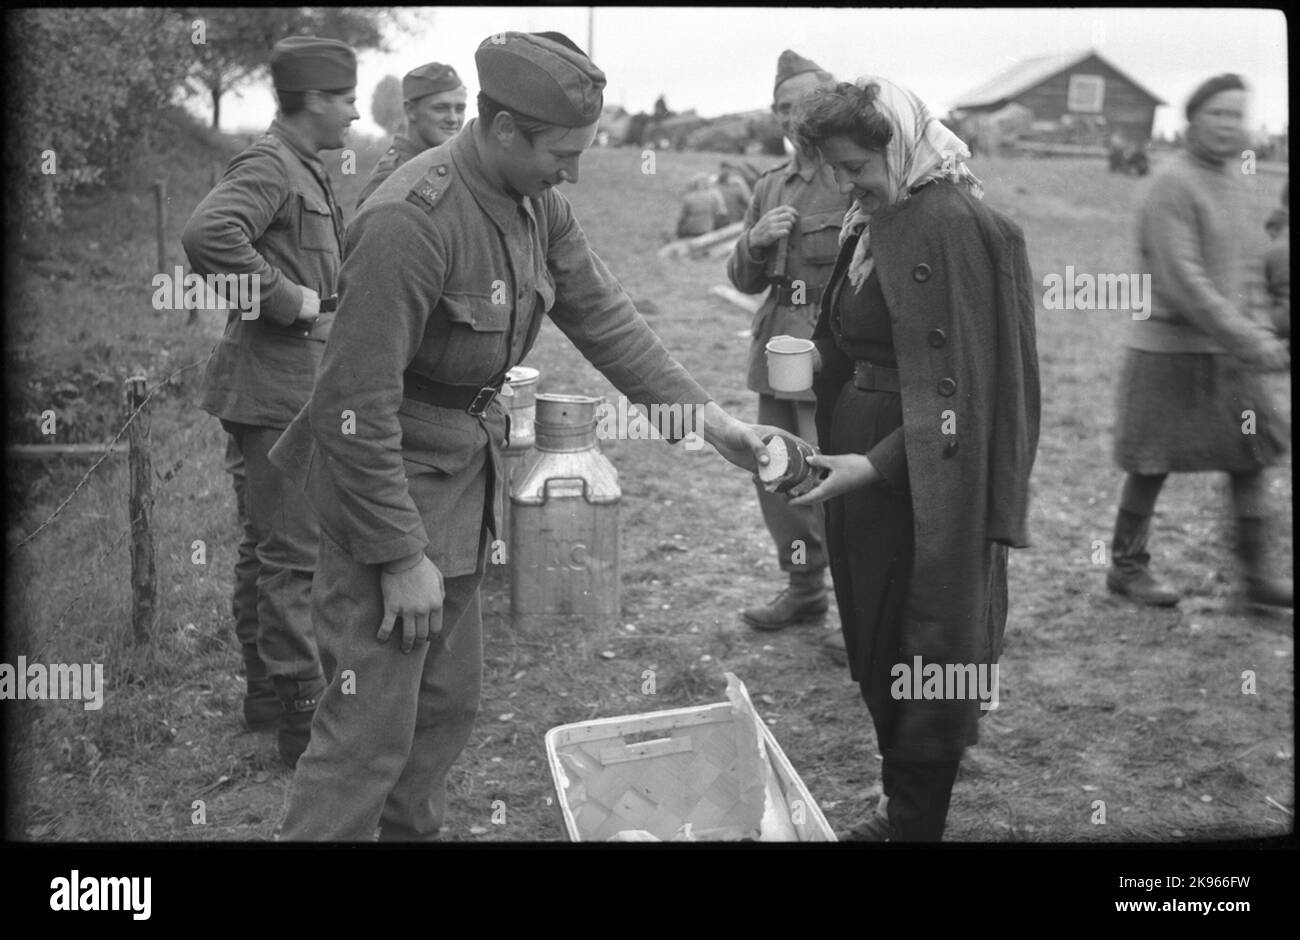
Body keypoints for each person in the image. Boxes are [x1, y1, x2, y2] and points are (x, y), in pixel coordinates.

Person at [267, 30, 768, 841]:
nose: (570, 170)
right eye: (561, 152)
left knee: (441, 709)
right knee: (366, 735)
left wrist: (709, 421)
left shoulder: (537, 204)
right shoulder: (409, 222)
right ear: (503, 130)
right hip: (386, 495)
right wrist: (397, 557)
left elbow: (602, 313)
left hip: (464, 481)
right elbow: (349, 405)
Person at [784, 77, 1040, 840]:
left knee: (923, 643)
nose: (845, 183)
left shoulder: (959, 226)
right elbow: (851, 334)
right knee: (871, 633)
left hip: (931, 470)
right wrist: (803, 396)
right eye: (834, 167)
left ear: (899, 143)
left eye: (857, 164)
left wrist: (876, 463)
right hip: (861, 447)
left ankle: (915, 821)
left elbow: (971, 393)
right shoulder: (877, 215)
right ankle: (901, 805)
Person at [181, 36, 358, 766]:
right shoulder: (271, 164)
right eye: (346, 97)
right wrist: (291, 300)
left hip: (272, 388)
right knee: (294, 557)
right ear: (315, 99)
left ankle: (265, 697)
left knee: (265, 551)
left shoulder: (300, 166)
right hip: (277, 391)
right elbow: (206, 234)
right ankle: (299, 719)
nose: (352, 111)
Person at [1105, 74, 1291, 610]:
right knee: (1150, 462)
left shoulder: (1240, 180)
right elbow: (1184, 282)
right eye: (1218, 114)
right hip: (1166, 352)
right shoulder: (1171, 184)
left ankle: (1256, 581)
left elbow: (1249, 269)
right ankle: (1125, 569)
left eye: (1238, 114)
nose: (1230, 125)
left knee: (1251, 458)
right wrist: (1249, 339)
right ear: (1192, 119)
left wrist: (1260, 332)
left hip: (1230, 354)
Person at [727, 50, 848, 637]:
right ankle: (804, 590)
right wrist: (753, 240)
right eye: (780, 107)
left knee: (840, 478)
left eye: (800, 103)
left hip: (839, 362)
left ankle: (860, 604)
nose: (788, 116)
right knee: (778, 473)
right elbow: (743, 280)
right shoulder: (770, 185)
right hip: (779, 355)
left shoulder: (857, 176)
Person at [356, 62, 467, 209]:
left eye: (459, 109)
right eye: (440, 108)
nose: (453, 119)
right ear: (411, 111)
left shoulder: (450, 163)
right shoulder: (391, 175)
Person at [675, 173, 728, 238]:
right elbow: (721, 212)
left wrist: (678, 230)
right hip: (707, 228)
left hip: (690, 230)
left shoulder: (688, 198)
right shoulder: (713, 196)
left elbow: (682, 218)